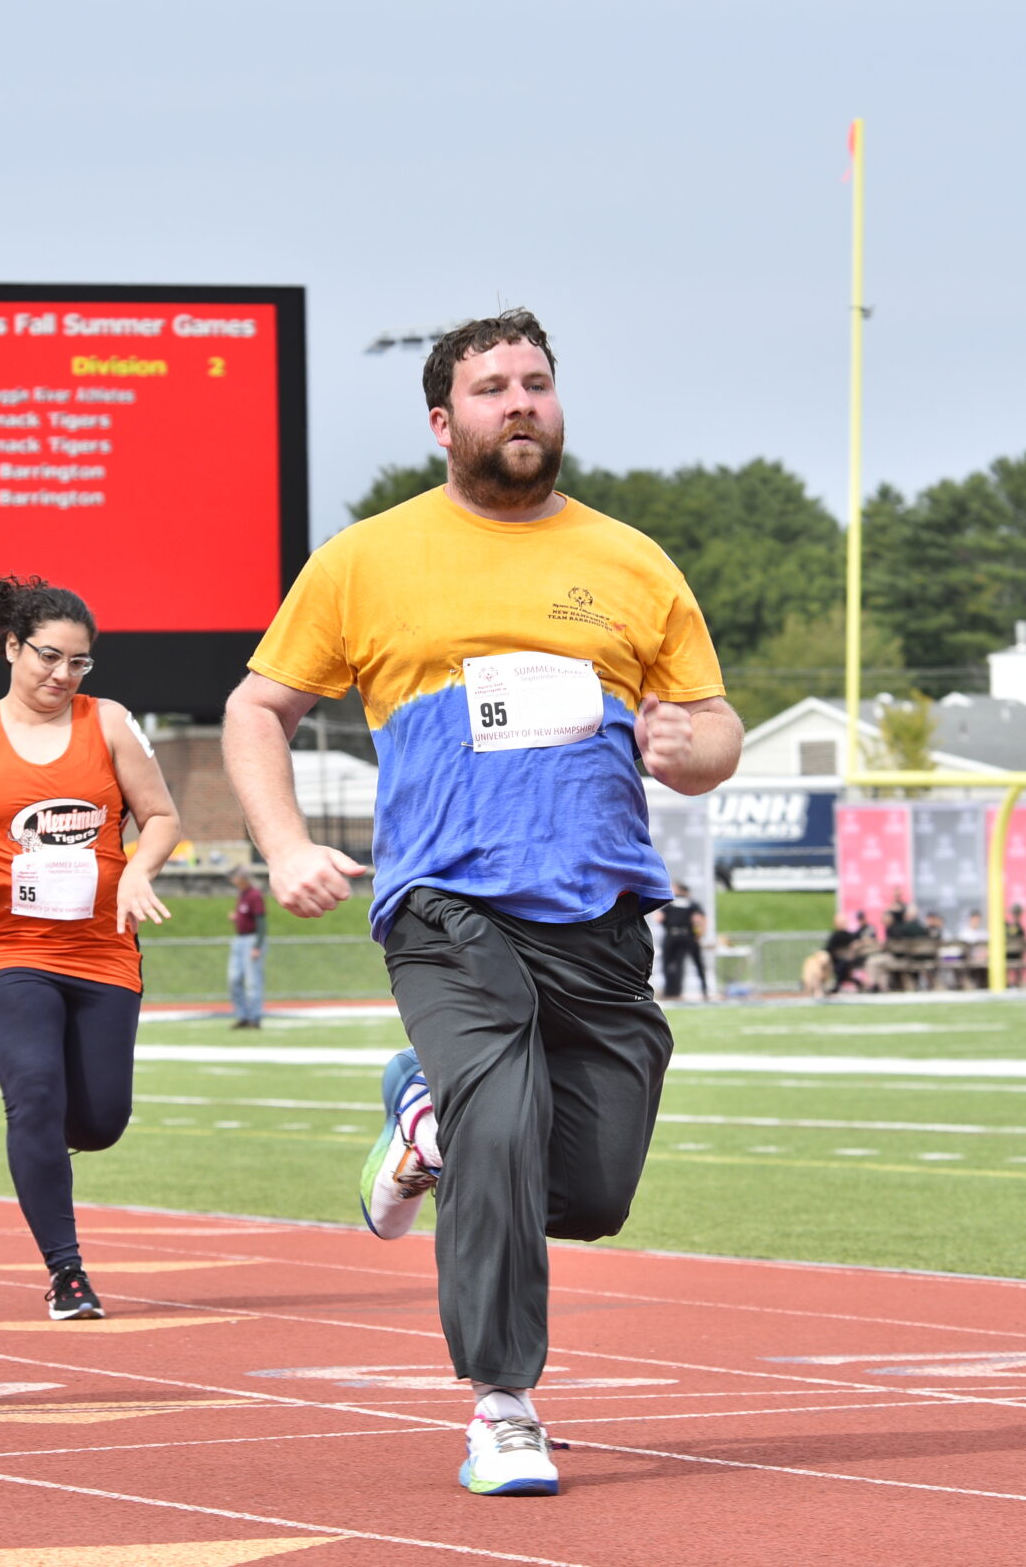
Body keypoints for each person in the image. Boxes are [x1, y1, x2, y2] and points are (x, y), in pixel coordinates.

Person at [222, 310, 740, 1497]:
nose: (521, 402)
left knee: (592, 1192)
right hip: (447, 903)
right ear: (441, 420)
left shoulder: (633, 560)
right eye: (494, 386)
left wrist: (687, 742)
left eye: (538, 383)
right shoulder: (369, 557)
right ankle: (503, 1403)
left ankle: (422, 1122)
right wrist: (289, 840)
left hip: (601, 911)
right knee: (502, 1123)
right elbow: (258, 710)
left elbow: (714, 727)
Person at [0, 575, 181, 1321]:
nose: (62, 675)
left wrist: (139, 873)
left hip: (103, 951)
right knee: (34, 1092)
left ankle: (46, 1132)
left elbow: (160, 816)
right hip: (6, 949)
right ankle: (68, 1272)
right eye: (49, 657)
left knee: (98, 1122)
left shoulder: (112, 722)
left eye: (79, 662)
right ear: (13, 647)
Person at [226, 866, 267, 1028]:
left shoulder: (254, 895)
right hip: (239, 940)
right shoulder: (242, 895)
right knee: (234, 979)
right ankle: (242, 1015)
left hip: (252, 940)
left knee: (252, 981)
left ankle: (254, 1017)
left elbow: (261, 922)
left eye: (236, 878)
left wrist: (257, 945)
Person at [658, 881, 708, 1000]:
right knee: (692, 963)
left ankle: (671, 991)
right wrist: (699, 934)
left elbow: (659, 918)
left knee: (668, 964)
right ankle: (704, 990)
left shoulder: (670, 903)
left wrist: (668, 925)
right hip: (688, 935)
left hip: (671, 935)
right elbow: (698, 919)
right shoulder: (692, 903)